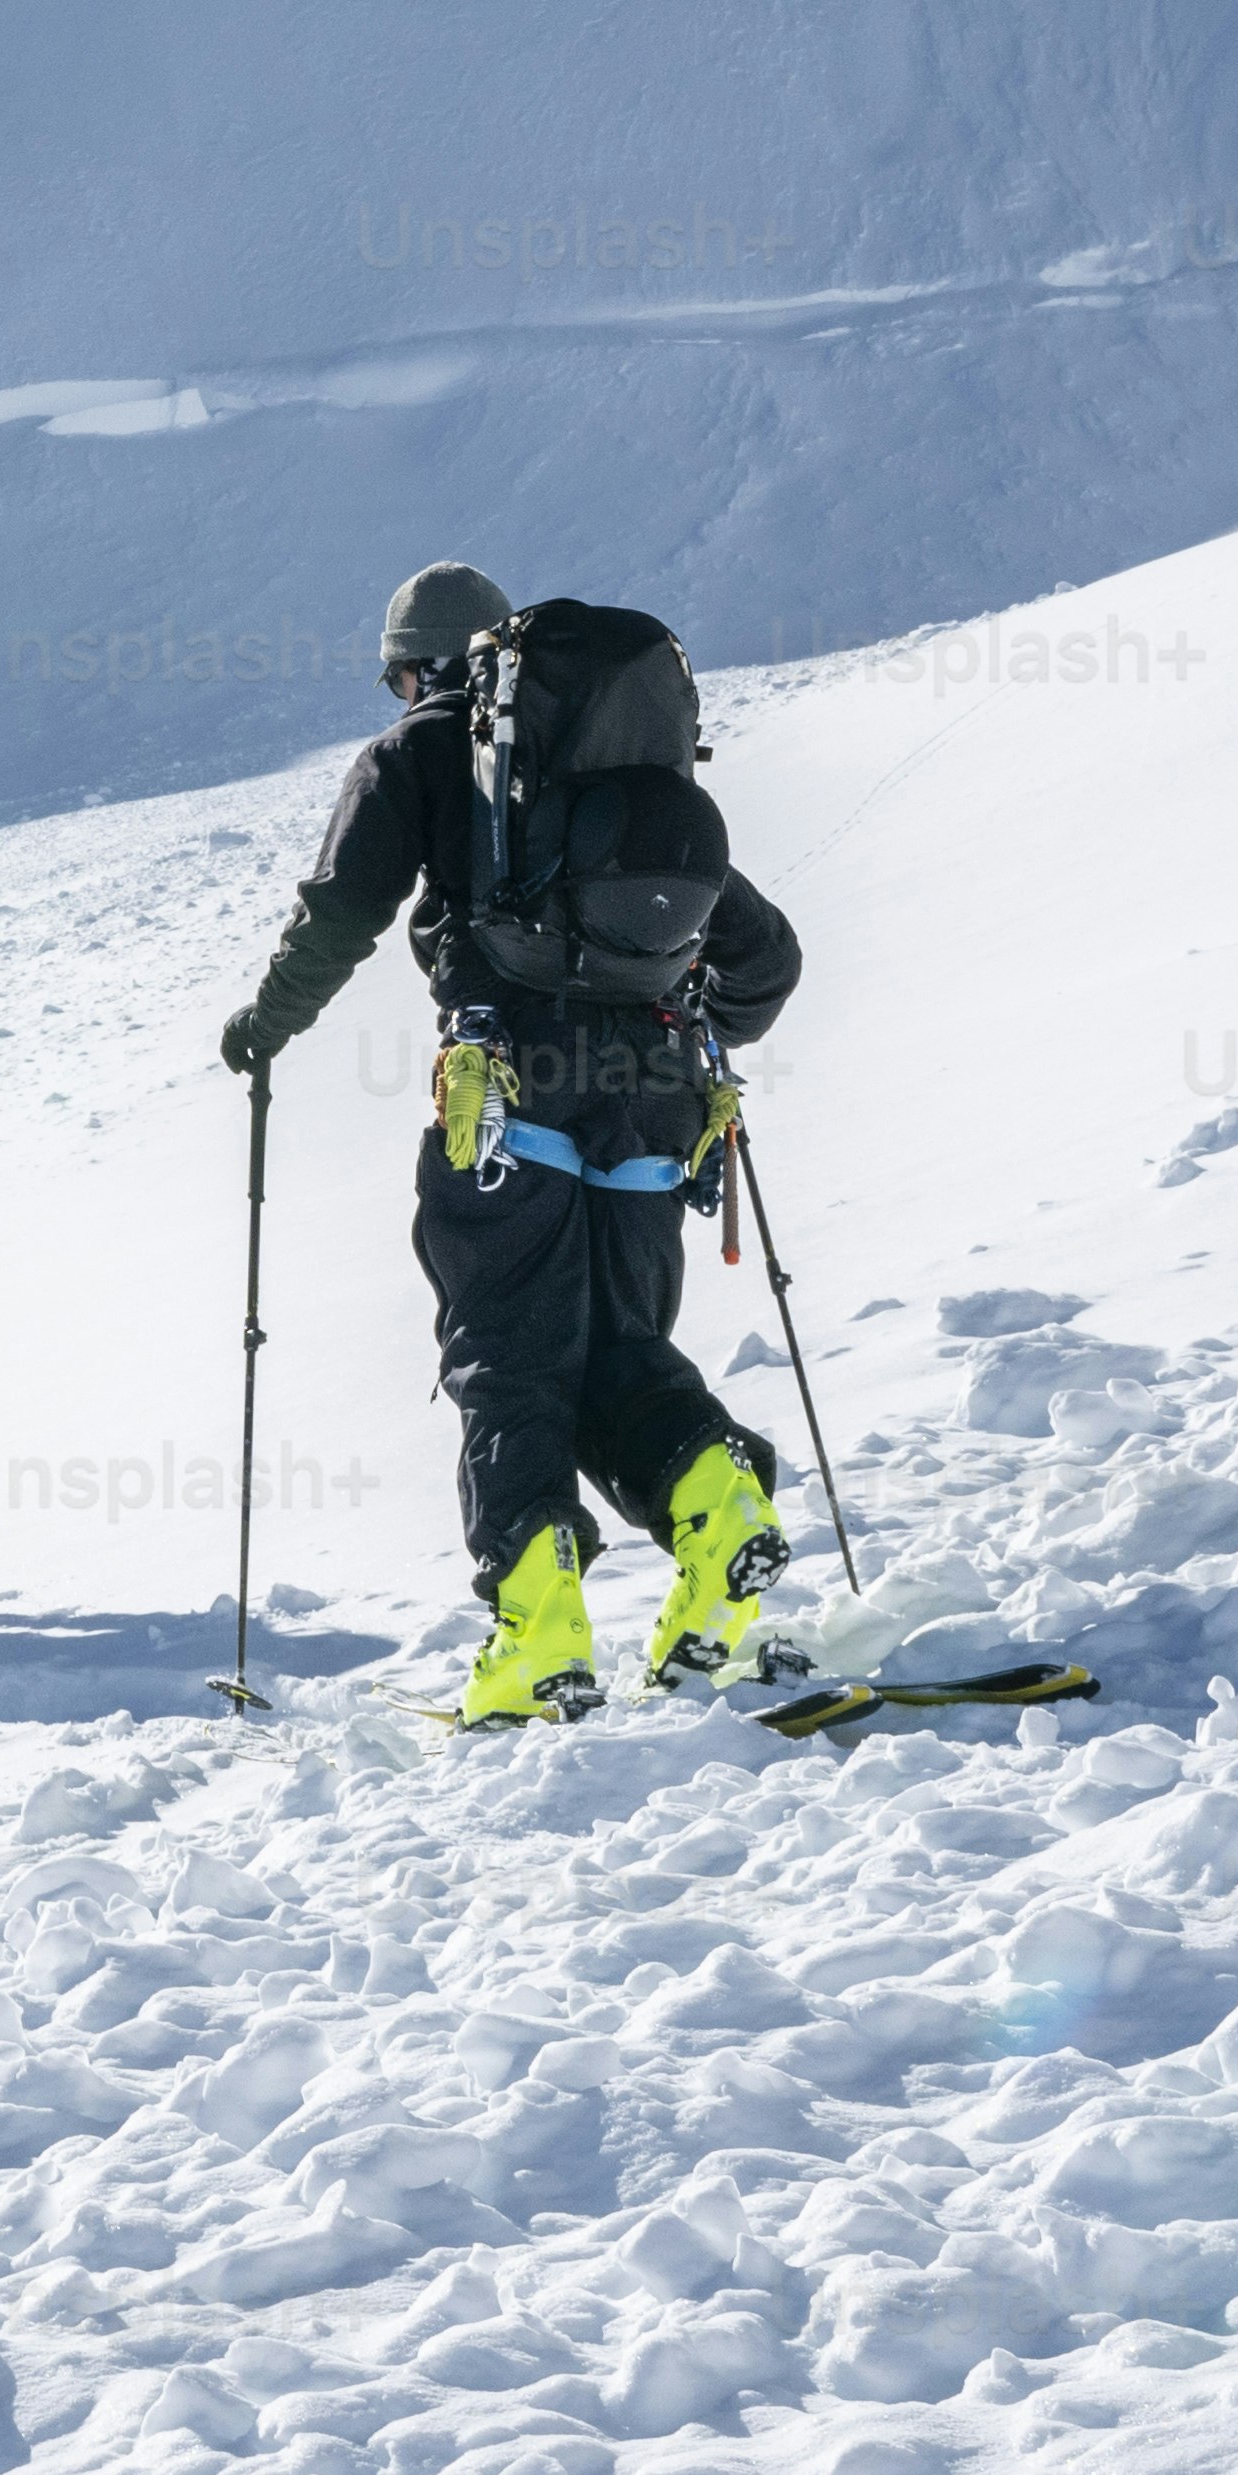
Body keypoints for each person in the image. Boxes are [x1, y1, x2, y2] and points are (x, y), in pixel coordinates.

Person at [219, 563, 808, 1722]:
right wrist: (675, 1025)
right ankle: (719, 1517)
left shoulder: (424, 754)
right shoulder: (603, 772)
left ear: (417, 667)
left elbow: (341, 910)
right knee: (616, 1352)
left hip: (509, 1093)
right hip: (658, 1105)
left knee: (508, 1358)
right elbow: (768, 958)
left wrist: (262, 1028)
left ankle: (538, 1640)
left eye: (397, 673)